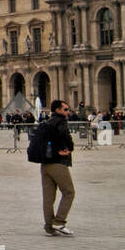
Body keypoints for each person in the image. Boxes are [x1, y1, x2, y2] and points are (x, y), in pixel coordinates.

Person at [38, 100, 75, 235]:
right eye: (65, 109)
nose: (68, 112)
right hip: (57, 163)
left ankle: (49, 227)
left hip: (45, 164)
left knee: (48, 197)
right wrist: (69, 148)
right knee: (69, 192)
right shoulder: (60, 122)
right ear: (58, 110)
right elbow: (67, 138)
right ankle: (59, 222)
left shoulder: (46, 123)